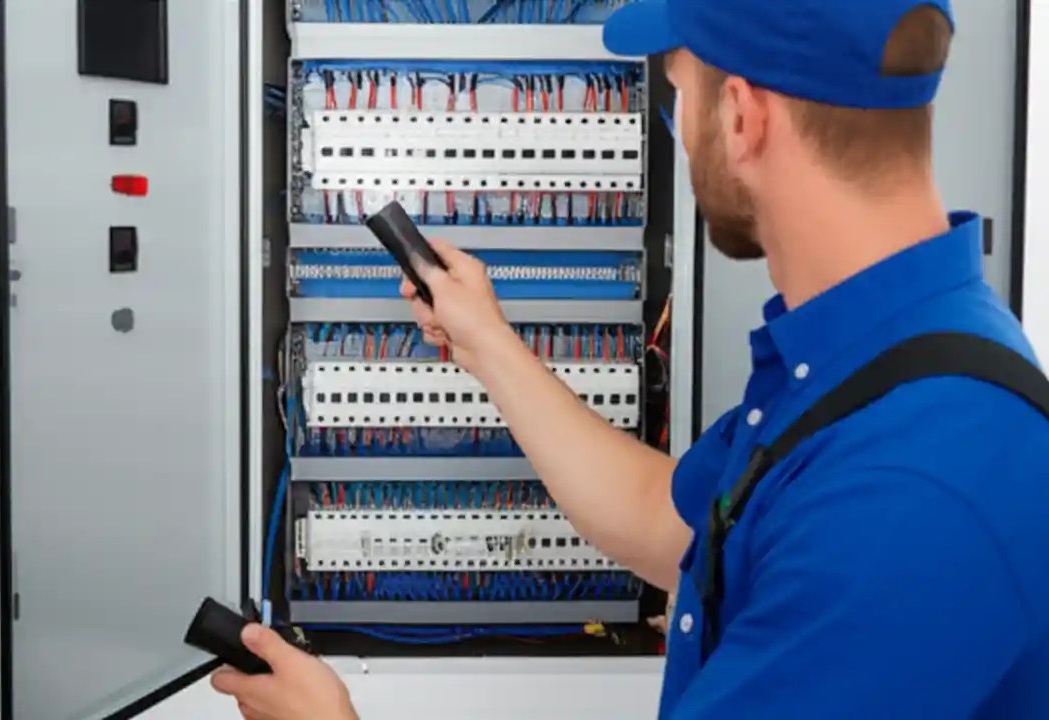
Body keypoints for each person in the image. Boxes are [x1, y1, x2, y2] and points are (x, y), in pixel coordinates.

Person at [212, 0, 1049, 717]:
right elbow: (665, 519)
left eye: (677, 91)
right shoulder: (873, 369)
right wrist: (488, 345)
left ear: (743, 118)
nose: (674, 126)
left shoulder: (906, 493)